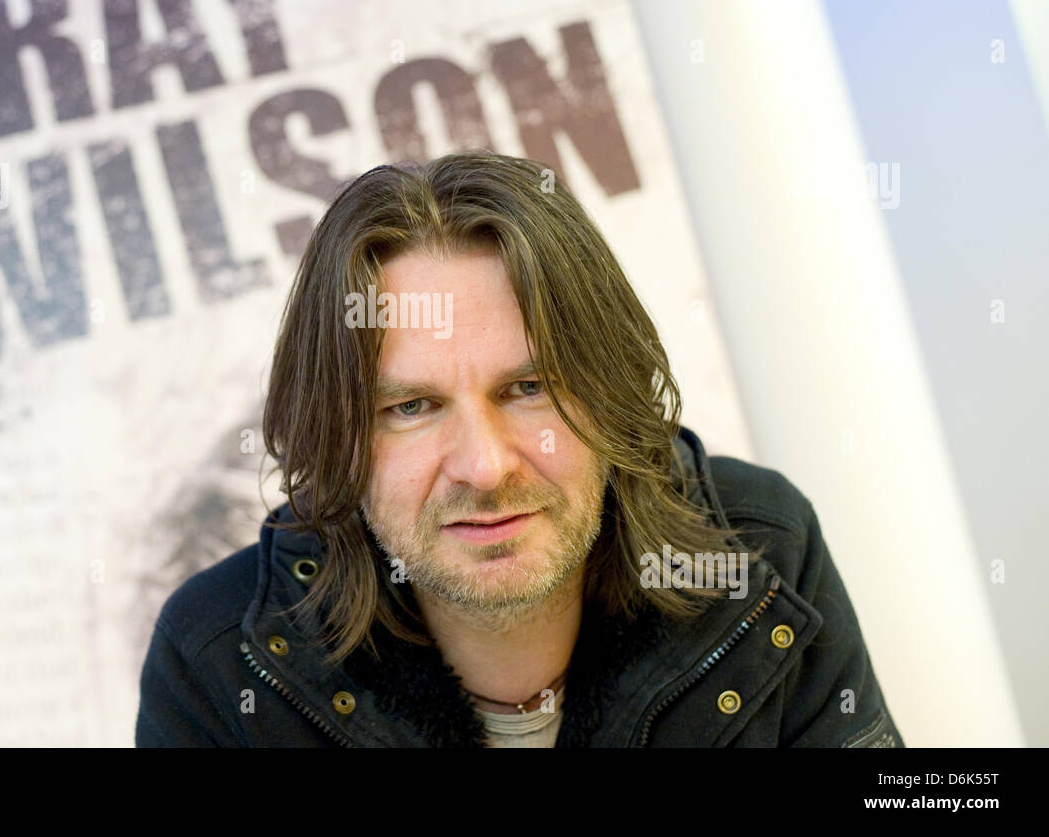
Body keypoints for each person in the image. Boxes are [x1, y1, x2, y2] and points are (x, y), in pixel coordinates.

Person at [135, 150, 902, 748]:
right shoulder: (217, 658)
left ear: (611, 392)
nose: (487, 464)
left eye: (530, 387)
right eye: (411, 407)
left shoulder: (755, 549)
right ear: (341, 442)